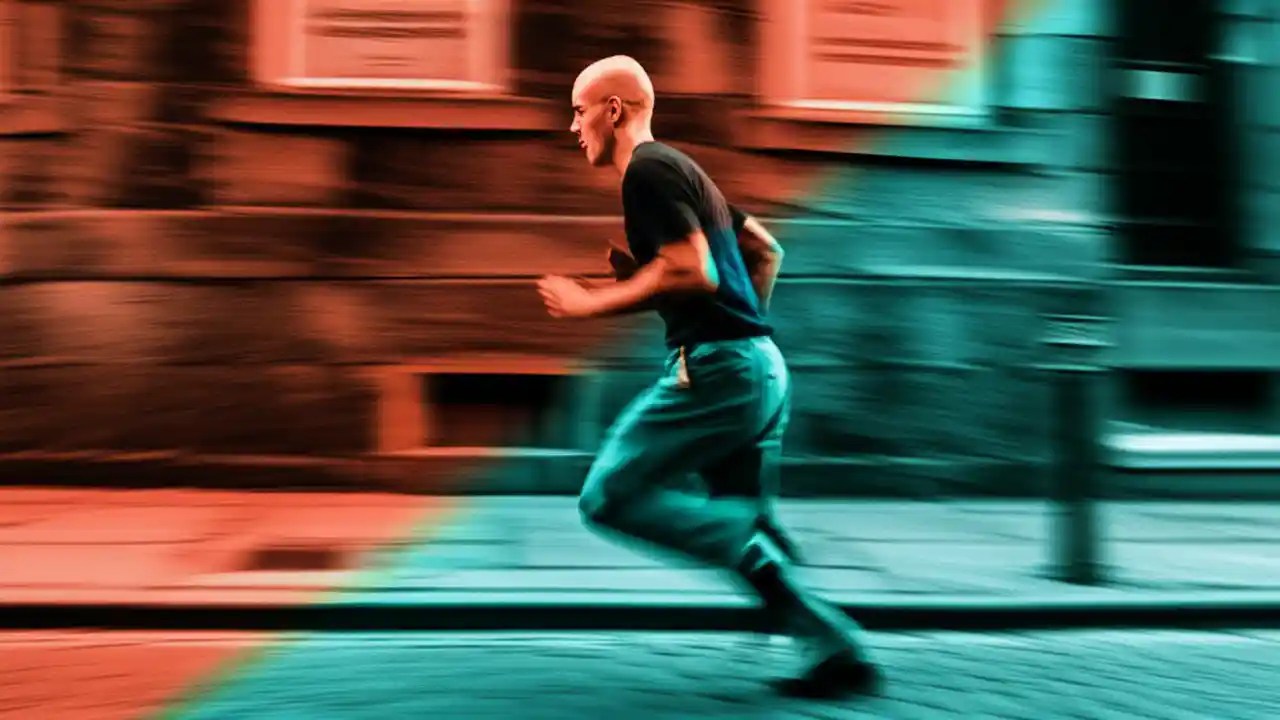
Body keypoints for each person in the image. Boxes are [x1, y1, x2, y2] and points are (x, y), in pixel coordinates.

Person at [537, 55, 881, 698]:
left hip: (720, 372)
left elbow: (693, 272)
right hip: (758, 367)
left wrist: (592, 302)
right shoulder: (687, 172)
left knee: (608, 496)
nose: (574, 126)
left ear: (614, 110)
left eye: (579, 110)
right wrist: (731, 322)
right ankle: (836, 649)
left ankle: (752, 534)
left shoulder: (645, 169)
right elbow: (763, 250)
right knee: (731, 523)